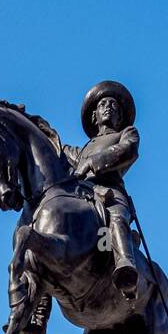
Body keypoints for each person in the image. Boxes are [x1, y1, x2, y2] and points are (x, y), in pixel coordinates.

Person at [65, 80, 140, 299]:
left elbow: (128, 150)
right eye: (103, 104)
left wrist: (93, 162)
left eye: (114, 105)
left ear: (120, 116)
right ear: (94, 116)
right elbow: (55, 147)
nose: (108, 107)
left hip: (109, 192)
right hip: (82, 195)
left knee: (116, 214)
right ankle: (39, 309)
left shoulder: (127, 133)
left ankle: (125, 265)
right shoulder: (80, 151)